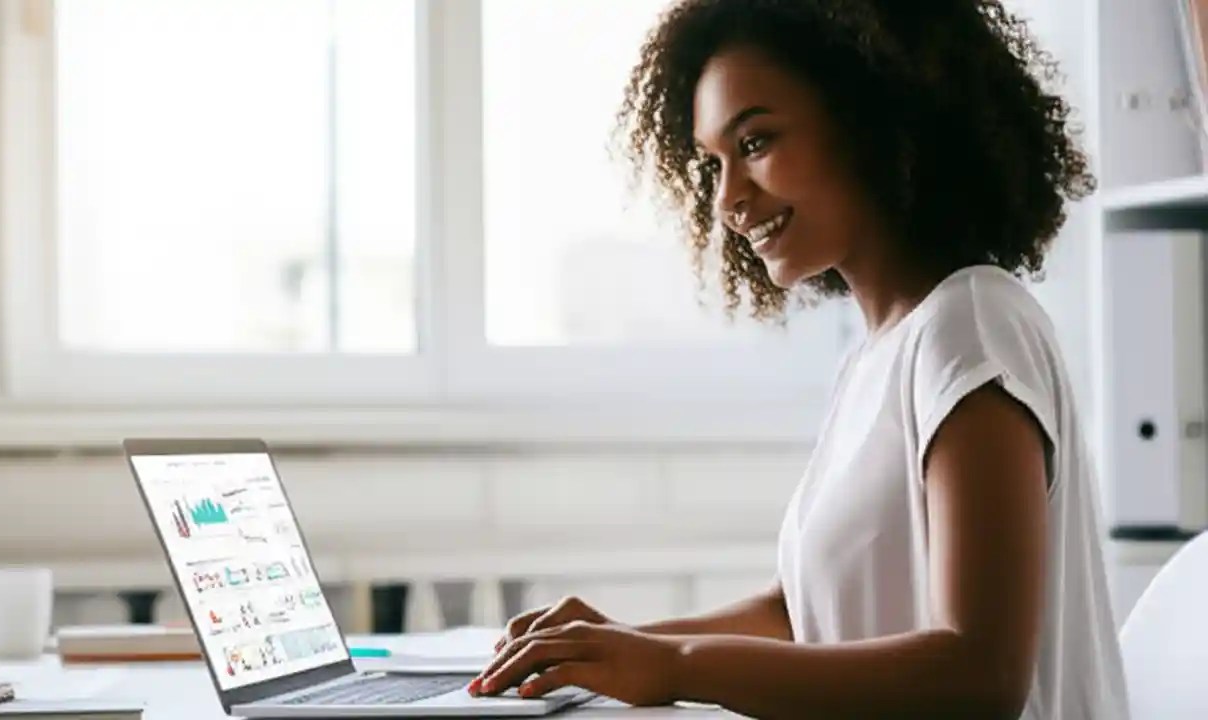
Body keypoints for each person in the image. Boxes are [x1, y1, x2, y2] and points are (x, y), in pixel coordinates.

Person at [467, 1, 1128, 718]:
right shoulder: (878, 355)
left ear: (872, 117)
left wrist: (677, 664)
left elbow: (978, 674)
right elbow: (804, 616)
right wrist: (611, 645)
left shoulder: (972, 323)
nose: (728, 199)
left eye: (755, 142)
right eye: (712, 163)